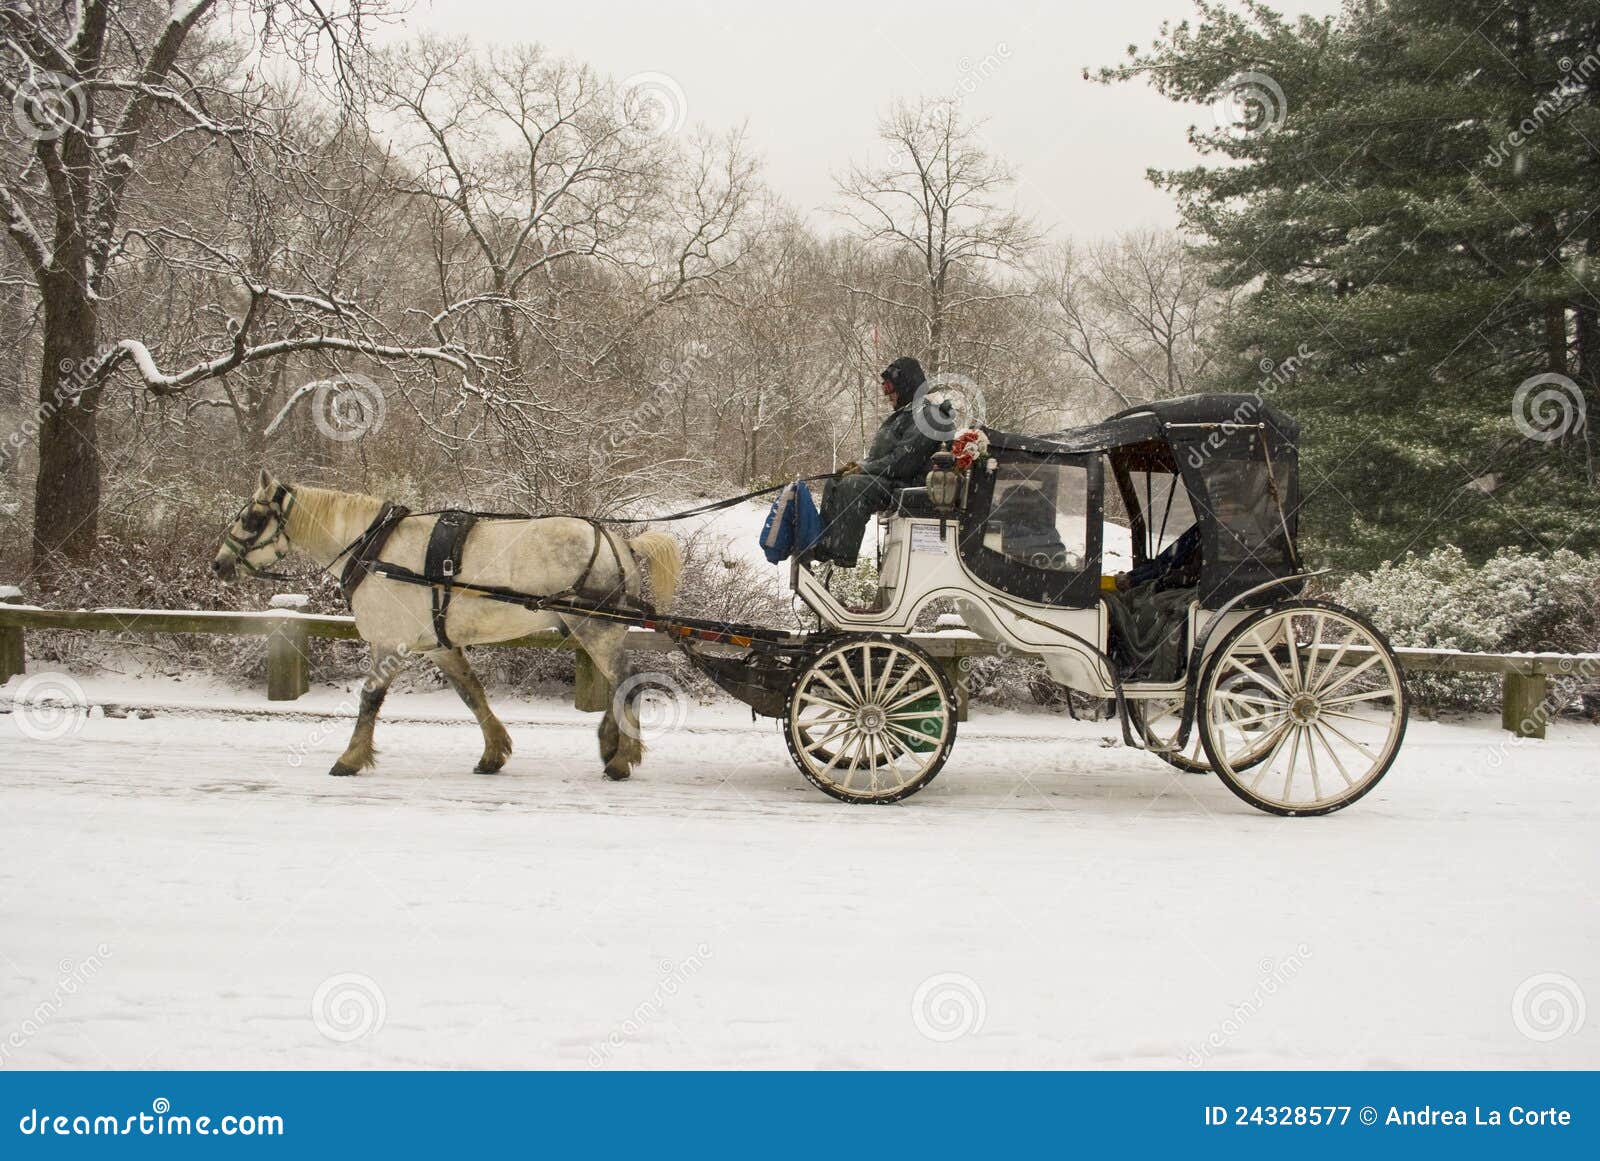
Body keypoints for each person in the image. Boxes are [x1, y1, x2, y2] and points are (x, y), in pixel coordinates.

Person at [808, 357, 951, 567]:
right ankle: (821, 547)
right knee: (835, 482)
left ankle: (839, 555)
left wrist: (863, 469)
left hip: (913, 486)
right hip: (895, 481)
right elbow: (882, 456)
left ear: (906, 386)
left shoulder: (929, 415)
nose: (888, 397)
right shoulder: (906, 414)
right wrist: (857, 466)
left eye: (891, 391)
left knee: (852, 486)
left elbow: (903, 462)